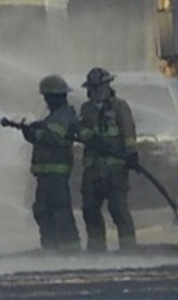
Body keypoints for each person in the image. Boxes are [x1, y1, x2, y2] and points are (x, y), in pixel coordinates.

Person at [76, 67, 138, 253]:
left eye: (98, 87)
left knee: (118, 210)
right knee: (90, 210)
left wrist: (132, 154)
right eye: (92, 88)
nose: (95, 91)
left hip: (115, 170)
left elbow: (128, 132)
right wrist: (89, 137)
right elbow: (81, 130)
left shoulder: (120, 107)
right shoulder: (85, 109)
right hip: (93, 170)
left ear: (107, 86)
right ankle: (96, 249)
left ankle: (128, 249)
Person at [20, 74, 81, 253]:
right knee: (42, 211)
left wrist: (33, 135)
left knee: (61, 211)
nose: (46, 100)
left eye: (47, 96)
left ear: (56, 96)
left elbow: (53, 137)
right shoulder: (54, 116)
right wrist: (37, 126)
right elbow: (49, 129)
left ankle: (71, 250)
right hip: (46, 175)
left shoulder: (62, 116)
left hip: (56, 174)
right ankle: (52, 248)